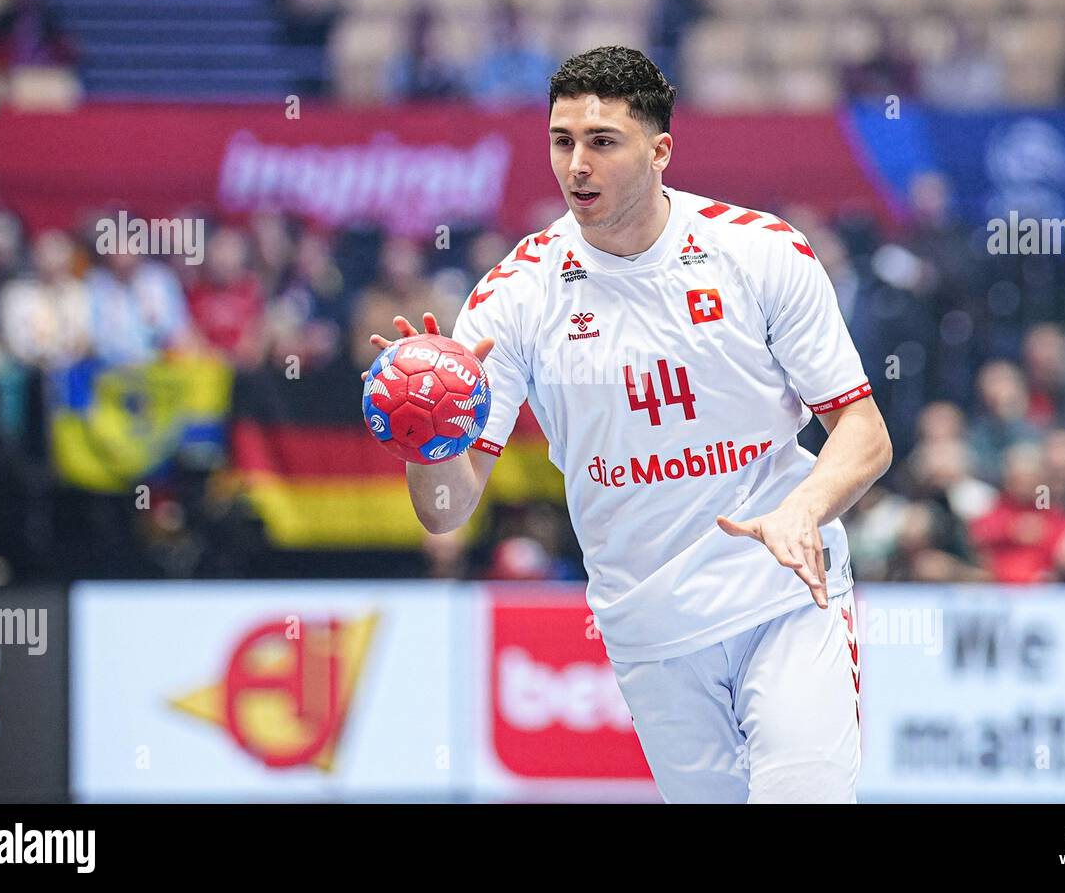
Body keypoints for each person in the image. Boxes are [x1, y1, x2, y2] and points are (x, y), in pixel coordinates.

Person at [365, 47, 892, 803]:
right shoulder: (514, 297)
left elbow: (864, 433)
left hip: (784, 597)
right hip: (650, 633)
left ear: (659, 150)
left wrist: (803, 512)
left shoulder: (760, 252)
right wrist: (428, 436)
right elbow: (445, 512)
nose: (577, 164)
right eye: (561, 141)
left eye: (602, 142)